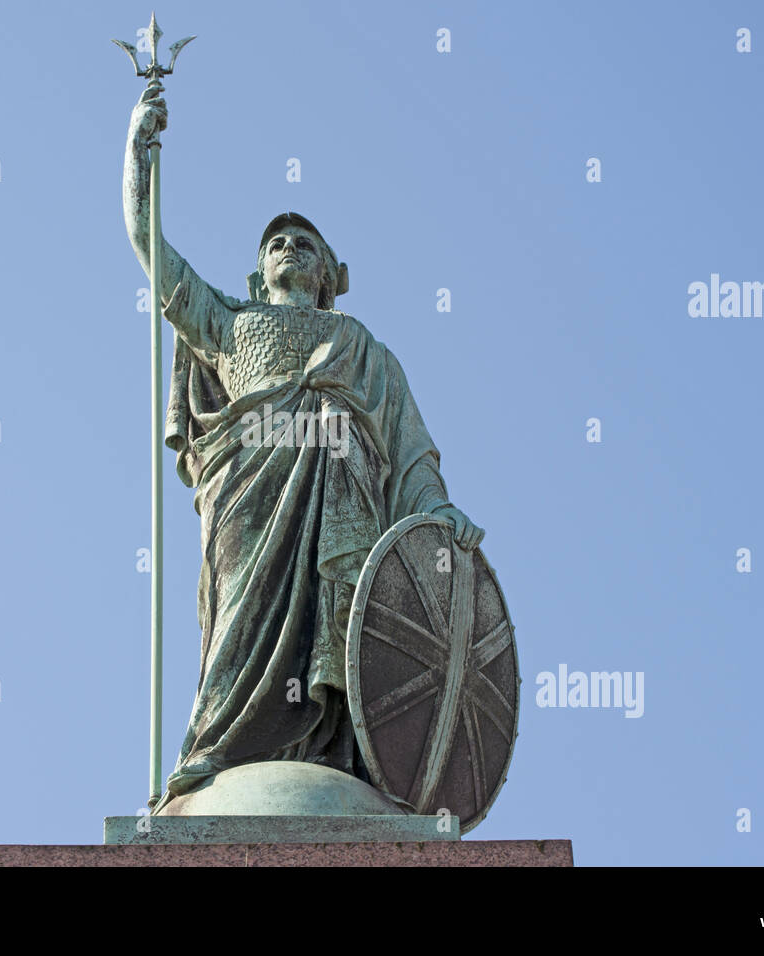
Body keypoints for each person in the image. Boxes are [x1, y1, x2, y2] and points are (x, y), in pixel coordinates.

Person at [122, 82, 484, 808]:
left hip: (345, 495)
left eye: (305, 244)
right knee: (239, 620)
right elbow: (149, 248)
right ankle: (218, 744)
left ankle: (343, 756)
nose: (290, 248)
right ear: (260, 273)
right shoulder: (229, 323)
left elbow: (409, 448)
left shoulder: (362, 346)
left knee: (346, 622)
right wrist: (139, 151)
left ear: (327, 276)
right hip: (249, 493)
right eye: (278, 243)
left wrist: (436, 516)